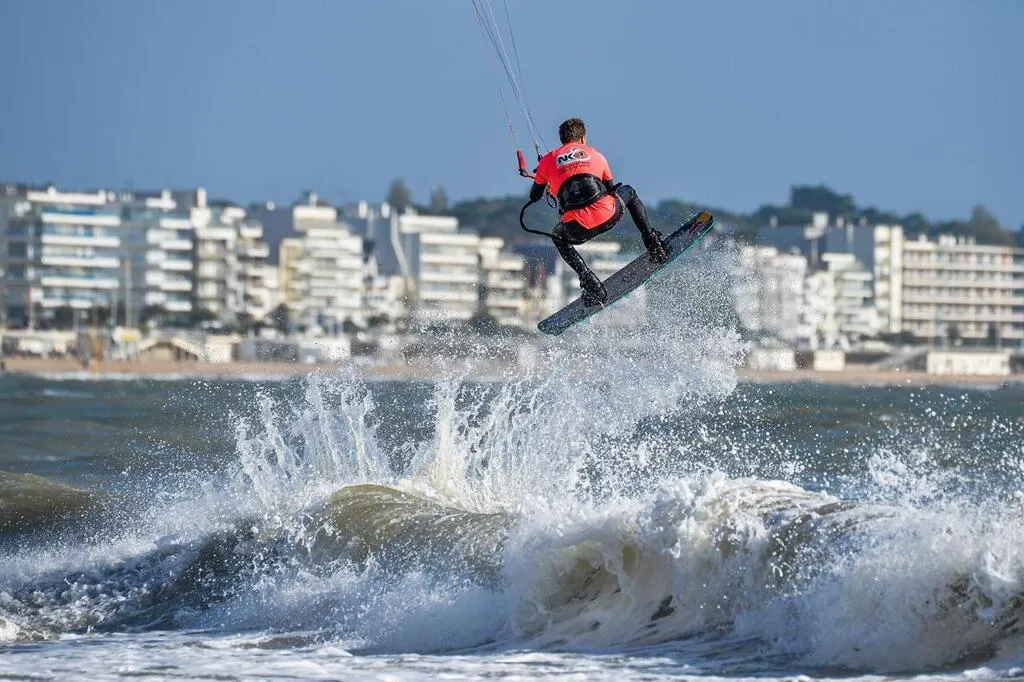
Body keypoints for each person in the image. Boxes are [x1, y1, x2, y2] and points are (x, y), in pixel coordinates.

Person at [524, 118, 669, 306]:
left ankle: (589, 281)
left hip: (578, 229)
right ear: (583, 138)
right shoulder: (596, 154)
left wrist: (545, 177)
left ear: (562, 139)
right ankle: (654, 244)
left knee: (557, 235)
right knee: (629, 192)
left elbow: (534, 196)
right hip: (608, 215)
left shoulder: (547, 161)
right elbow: (610, 188)